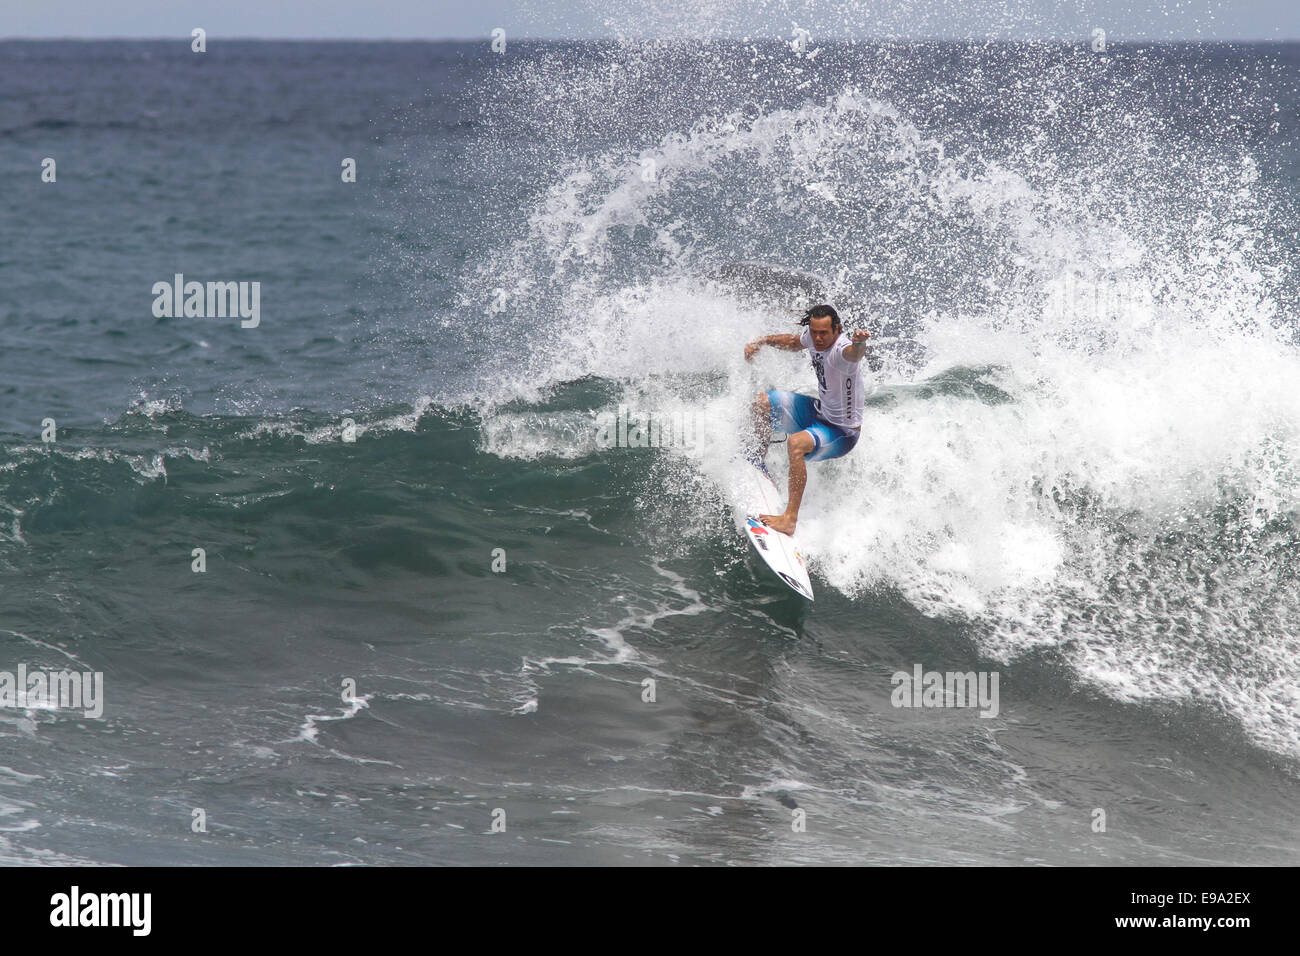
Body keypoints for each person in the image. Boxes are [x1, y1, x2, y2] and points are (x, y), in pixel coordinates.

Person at [743, 304, 870, 535]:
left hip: (842, 432)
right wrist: (762, 341)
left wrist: (860, 343)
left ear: (837, 330)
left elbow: (855, 353)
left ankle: (789, 519)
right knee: (761, 403)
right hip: (820, 412)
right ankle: (758, 461)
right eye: (814, 332)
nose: (818, 338)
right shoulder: (813, 338)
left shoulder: (843, 351)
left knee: (796, 444)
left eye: (824, 333)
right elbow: (793, 342)